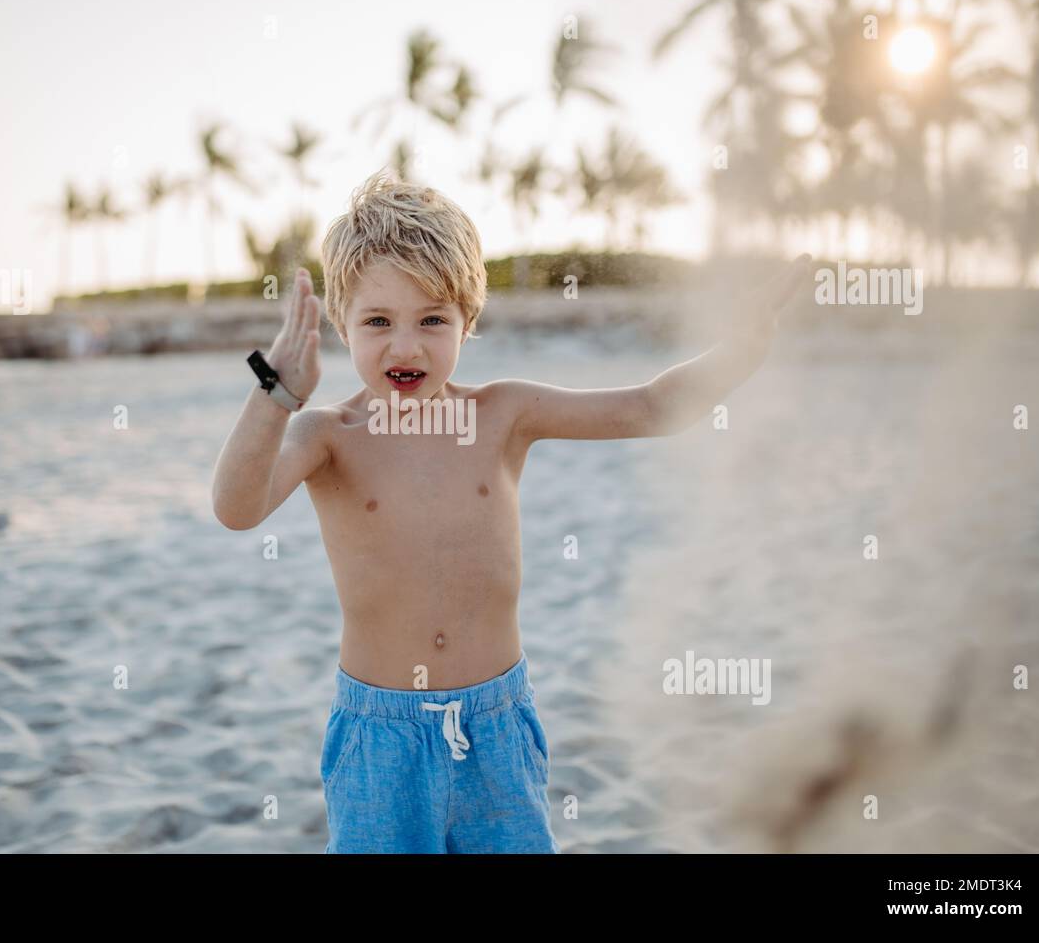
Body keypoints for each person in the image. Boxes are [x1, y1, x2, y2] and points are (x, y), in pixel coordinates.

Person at [211, 169, 810, 853]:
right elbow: (237, 508)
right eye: (378, 321)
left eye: (432, 319)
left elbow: (649, 405)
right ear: (342, 323)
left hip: (496, 728)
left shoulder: (502, 414)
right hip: (381, 737)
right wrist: (274, 396)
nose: (405, 346)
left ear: (468, 321)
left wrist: (742, 351)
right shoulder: (326, 436)